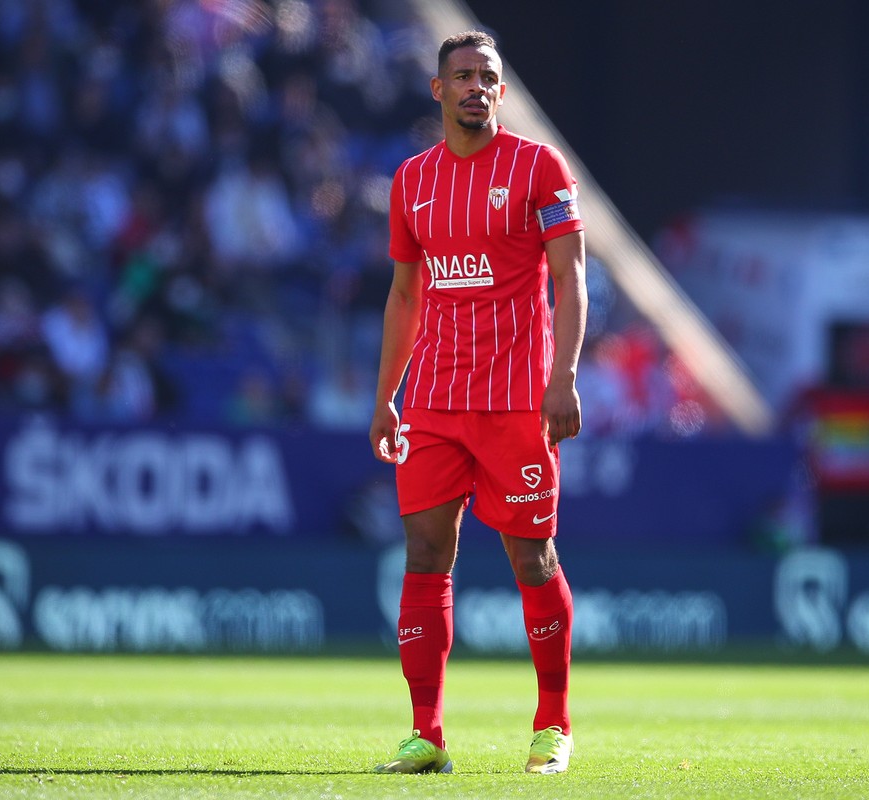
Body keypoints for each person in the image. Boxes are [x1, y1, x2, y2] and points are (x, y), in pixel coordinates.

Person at [369, 30, 587, 775]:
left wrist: (563, 377)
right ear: (438, 90)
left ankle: (552, 725)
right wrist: (386, 398)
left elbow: (571, 278)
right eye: (461, 75)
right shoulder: (411, 181)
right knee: (425, 555)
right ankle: (426, 735)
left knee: (532, 555)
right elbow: (404, 295)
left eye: (486, 77)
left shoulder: (538, 167)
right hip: (431, 402)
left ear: (501, 90)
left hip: (517, 402)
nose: (474, 86)